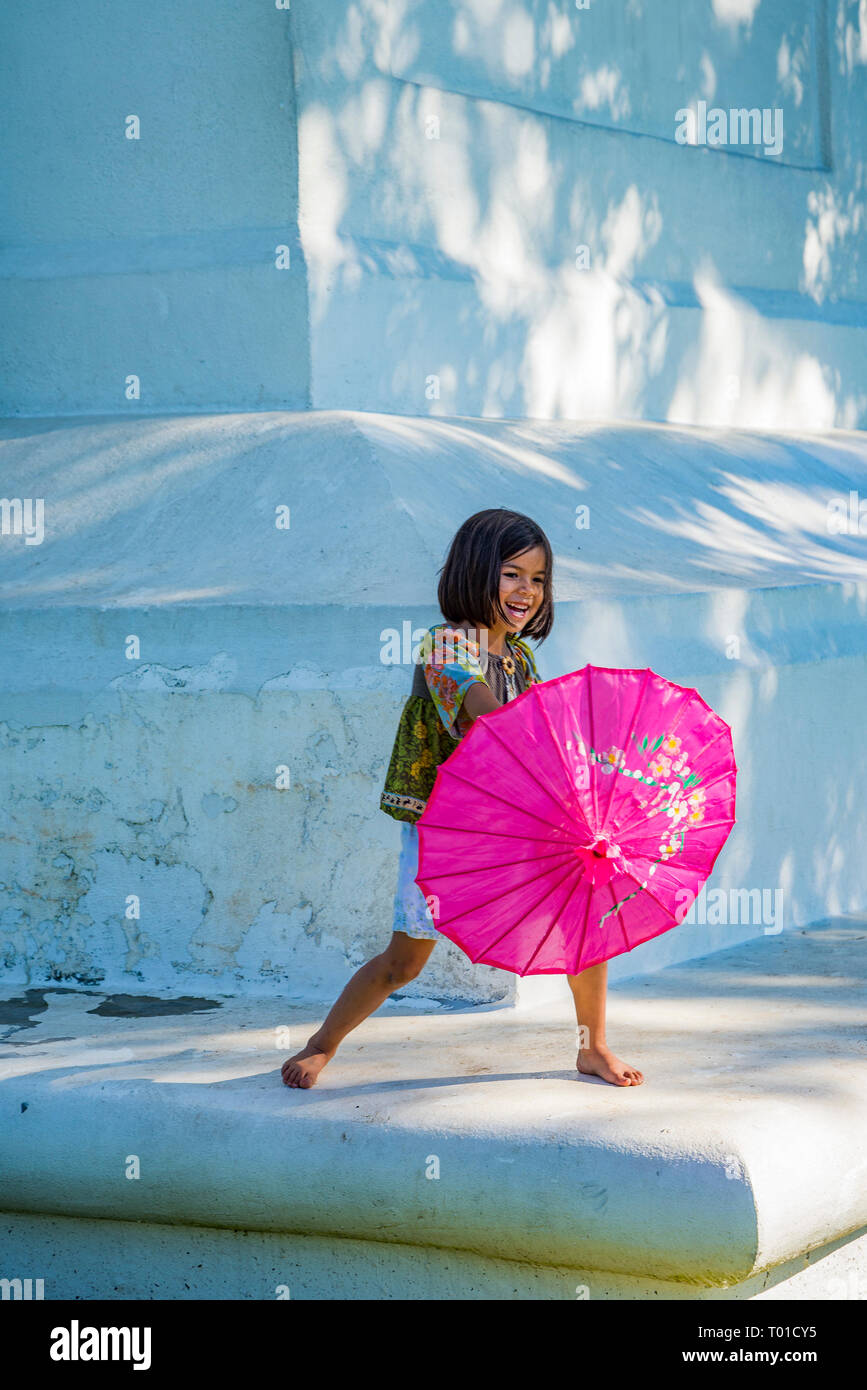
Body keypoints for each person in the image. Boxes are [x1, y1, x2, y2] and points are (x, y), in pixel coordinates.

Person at [282, 508, 643, 1089]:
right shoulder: (446, 646)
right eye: (511, 574)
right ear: (476, 573)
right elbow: (482, 710)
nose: (527, 590)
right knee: (405, 960)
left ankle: (593, 1046)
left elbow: (540, 730)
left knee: (585, 919)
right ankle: (321, 1045)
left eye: (539, 579)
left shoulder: (521, 658)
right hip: (444, 828)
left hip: (515, 824)